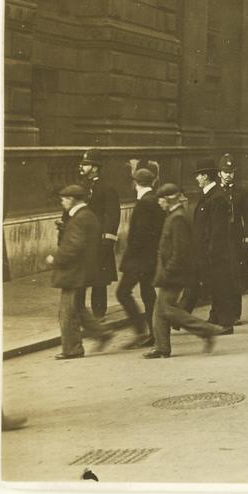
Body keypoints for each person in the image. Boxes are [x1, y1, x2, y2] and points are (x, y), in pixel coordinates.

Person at [145, 184, 224, 358]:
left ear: (169, 199)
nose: (159, 203)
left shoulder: (178, 218)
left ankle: (206, 330)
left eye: (161, 200)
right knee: (159, 310)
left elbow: (180, 251)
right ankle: (162, 347)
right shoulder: (174, 215)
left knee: (166, 309)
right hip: (172, 272)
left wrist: (169, 271)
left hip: (174, 273)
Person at [48, 184, 113, 359]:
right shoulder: (86, 215)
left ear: (71, 199)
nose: (62, 202)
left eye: (63, 199)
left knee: (67, 312)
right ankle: (101, 334)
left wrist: (56, 259)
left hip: (74, 271)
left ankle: (72, 348)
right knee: (77, 307)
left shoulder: (80, 218)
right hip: (82, 269)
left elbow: (73, 246)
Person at [190, 157, 238, 333]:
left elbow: (217, 230)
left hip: (216, 252)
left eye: (199, 175)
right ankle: (216, 316)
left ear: (207, 176)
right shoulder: (209, 196)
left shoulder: (216, 198)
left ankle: (226, 322)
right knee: (216, 284)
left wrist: (210, 252)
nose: (197, 179)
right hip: (209, 251)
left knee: (221, 284)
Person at [117, 167, 164, 348]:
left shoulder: (144, 203)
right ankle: (153, 333)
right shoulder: (155, 200)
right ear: (152, 182)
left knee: (122, 292)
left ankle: (141, 331)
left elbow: (141, 235)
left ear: (135, 183)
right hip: (150, 258)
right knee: (148, 294)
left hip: (140, 260)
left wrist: (129, 256)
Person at [78, 149, 120, 319]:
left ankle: (99, 314)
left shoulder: (106, 188)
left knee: (99, 279)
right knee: (80, 277)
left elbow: (112, 214)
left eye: (85, 164)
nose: (81, 166)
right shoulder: (82, 186)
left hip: (98, 241)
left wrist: (107, 238)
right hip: (83, 240)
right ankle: (79, 313)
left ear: (95, 167)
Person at [218, 153, 248, 325]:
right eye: (225, 172)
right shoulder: (214, 192)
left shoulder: (241, 192)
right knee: (219, 275)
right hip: (218, 240)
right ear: (219, 173)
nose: (228, 175)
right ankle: (220, 311)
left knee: (236, 276)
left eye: (231, 172)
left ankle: (235, 313)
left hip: (235, 239)